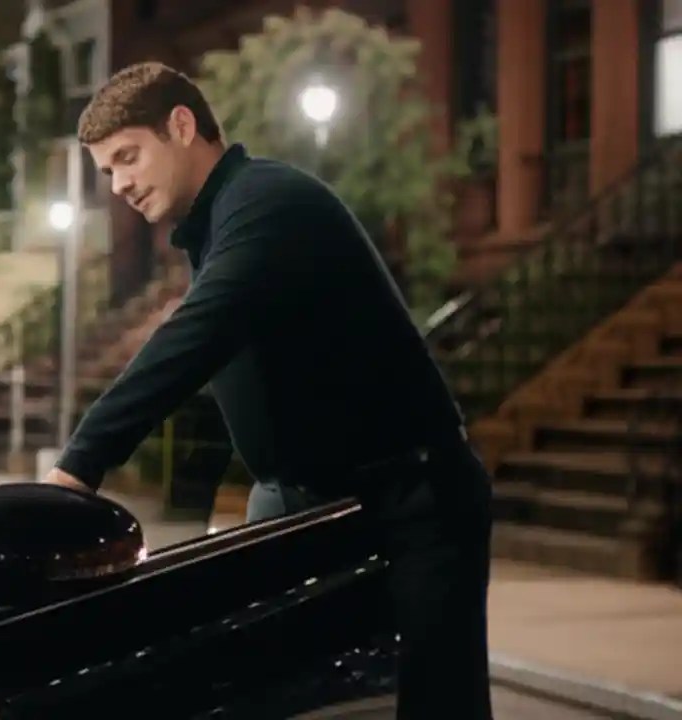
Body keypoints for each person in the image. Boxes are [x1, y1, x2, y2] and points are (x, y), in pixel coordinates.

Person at [40, 62, 494, 719]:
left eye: (127, 158)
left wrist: (76, 468)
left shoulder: (268, 202)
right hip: (305, 500)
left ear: (182, 125)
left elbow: (193, 340)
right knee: (269, 694)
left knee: (435, 707)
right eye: (107, 171)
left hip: (414, 504)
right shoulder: (219, 225)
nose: (119, 185)